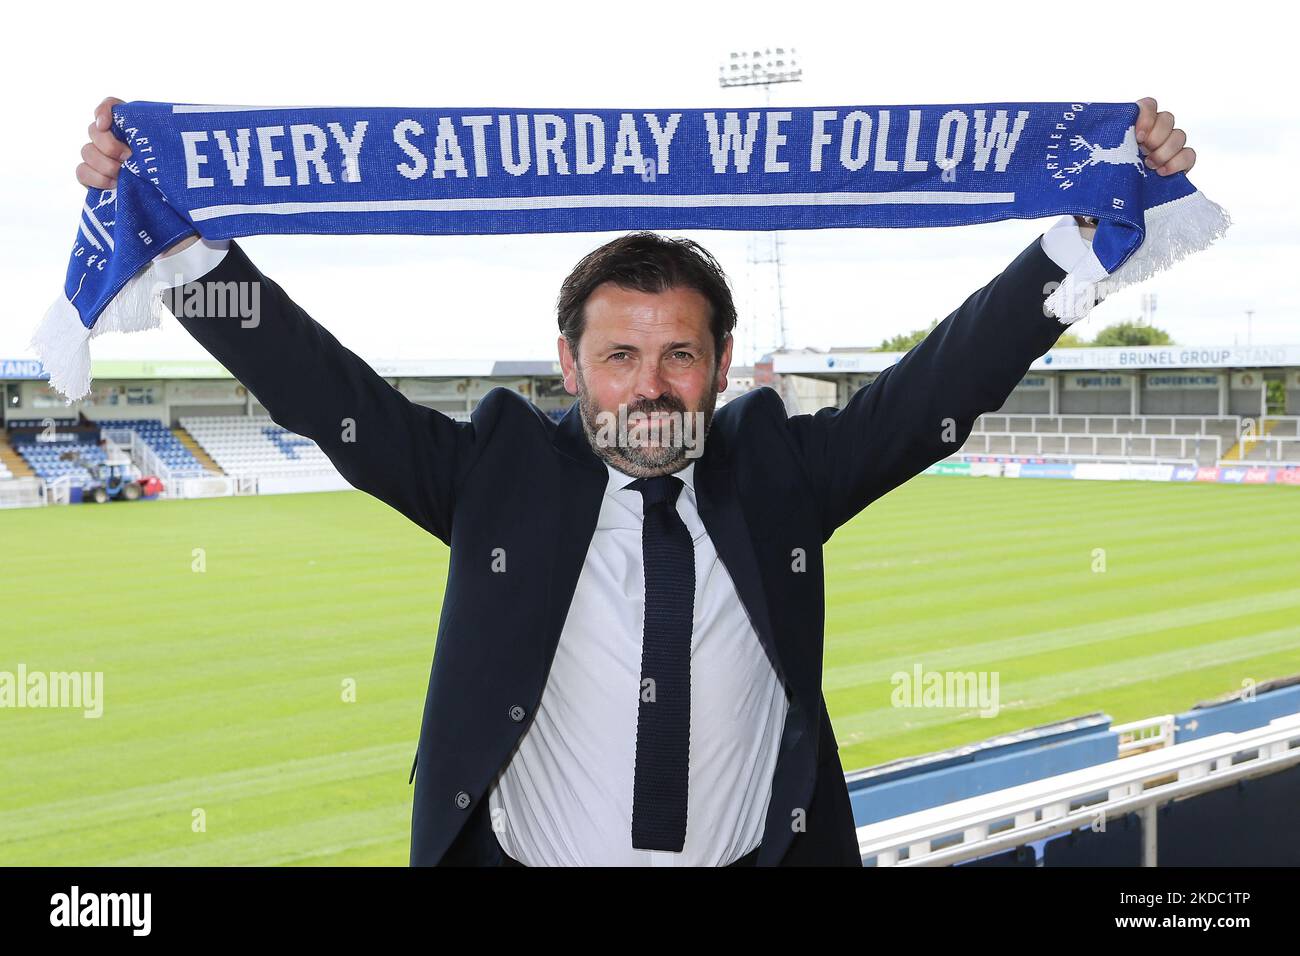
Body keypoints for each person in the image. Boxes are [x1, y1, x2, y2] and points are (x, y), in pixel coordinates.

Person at [77, 96, 1196, 867]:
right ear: (569, 365)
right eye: (619, 355)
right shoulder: (492, 472)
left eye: (678, 354)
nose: (650, 385)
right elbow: (323, 391)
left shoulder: (782, 473)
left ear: (716, 365)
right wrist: (175, 241)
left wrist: (1089, 234)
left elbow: (945, 379)